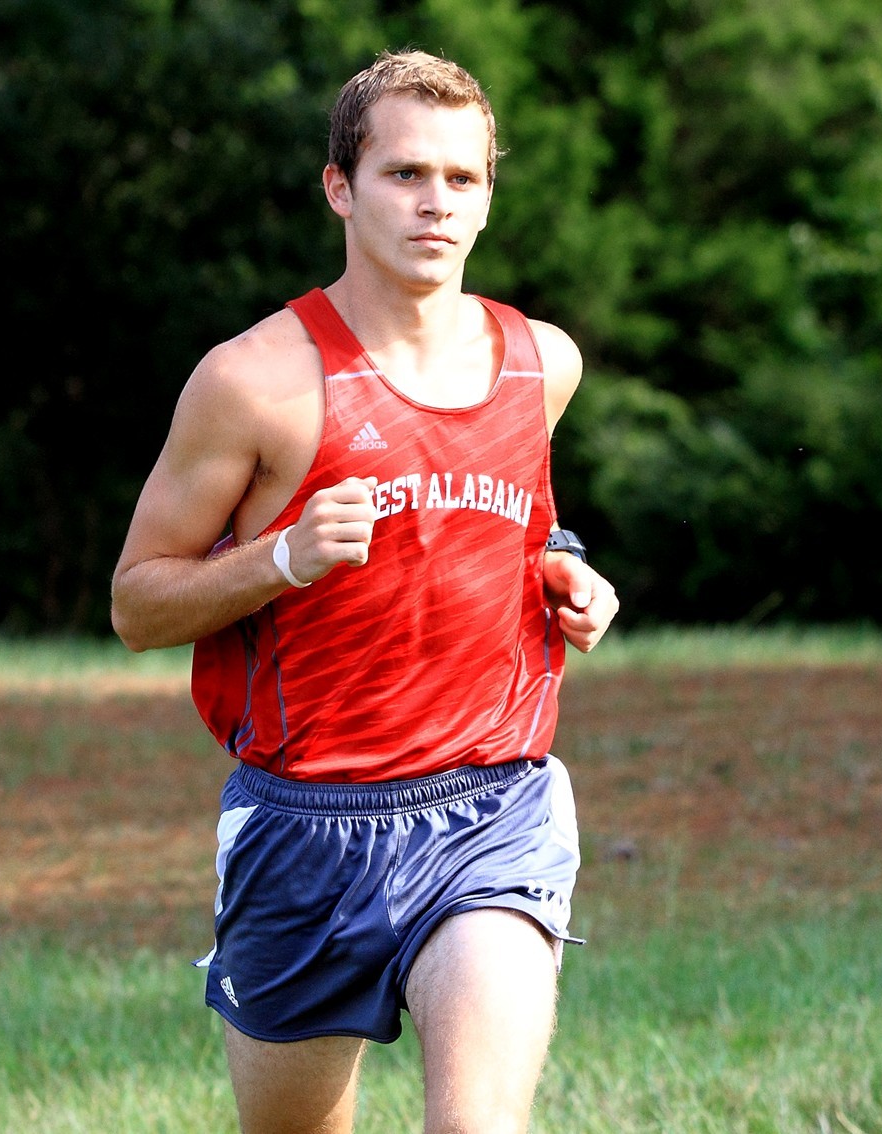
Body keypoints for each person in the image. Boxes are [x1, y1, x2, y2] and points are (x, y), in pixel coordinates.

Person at [109, 49, 619, 1134]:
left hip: (493, 805)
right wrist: (281, 558)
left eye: (463, 178)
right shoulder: (253, 381)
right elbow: (137, 605)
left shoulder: (543, 363)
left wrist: (566, 568)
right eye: (405, 174)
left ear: (488, 195)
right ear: (340, 187)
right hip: (303, 827)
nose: (437, 202)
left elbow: (512, 518)